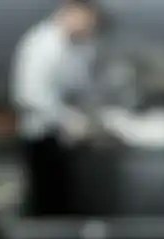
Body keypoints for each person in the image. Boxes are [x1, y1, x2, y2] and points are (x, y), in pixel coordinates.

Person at [10, 0, 101, 216]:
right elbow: (30, 95)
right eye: (88, 21)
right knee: (47, 204)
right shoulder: (42, 44)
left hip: (64, 142)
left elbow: (81, 86)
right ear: (71, 12)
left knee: (65, 204)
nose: (89, 27)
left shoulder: (75, 46)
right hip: (42, 139)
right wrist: (68, 119)